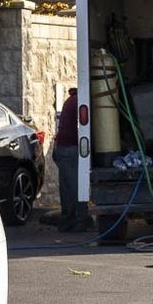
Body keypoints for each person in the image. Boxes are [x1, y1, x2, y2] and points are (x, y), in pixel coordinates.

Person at [52, 88, 94, 232]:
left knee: (67, 186)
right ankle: (81, 219)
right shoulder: (80, 102)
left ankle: (67, 220)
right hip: (70, 148)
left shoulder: (71, 100)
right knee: (77, 185)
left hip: (61, 148)